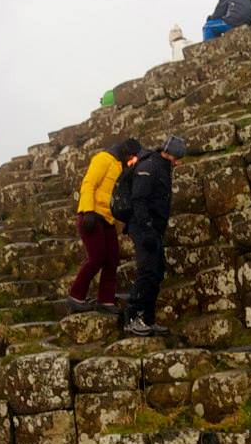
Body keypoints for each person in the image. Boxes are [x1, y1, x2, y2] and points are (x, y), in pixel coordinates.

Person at [66, 137, 141, 313]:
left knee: (112, 259)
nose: (132, 161)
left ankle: (106, 301)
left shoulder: (121, 166)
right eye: (132, 157)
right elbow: (89, 184)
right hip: (91, 216)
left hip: (108, 218)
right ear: (125, 153)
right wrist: (88, 211)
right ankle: (75, 296)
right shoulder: (103, 159)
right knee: (96, 258)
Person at [121, 134, 185, 338]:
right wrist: (147, 229)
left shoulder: (162, 167)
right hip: (143, 228)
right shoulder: (149, 166)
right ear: (169, 153)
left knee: (157, 272)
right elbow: (139, 200)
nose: (177, 162)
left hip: (153, 229)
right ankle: (131, 319)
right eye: (176, 157)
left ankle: (147, 319)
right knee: (147, 271)